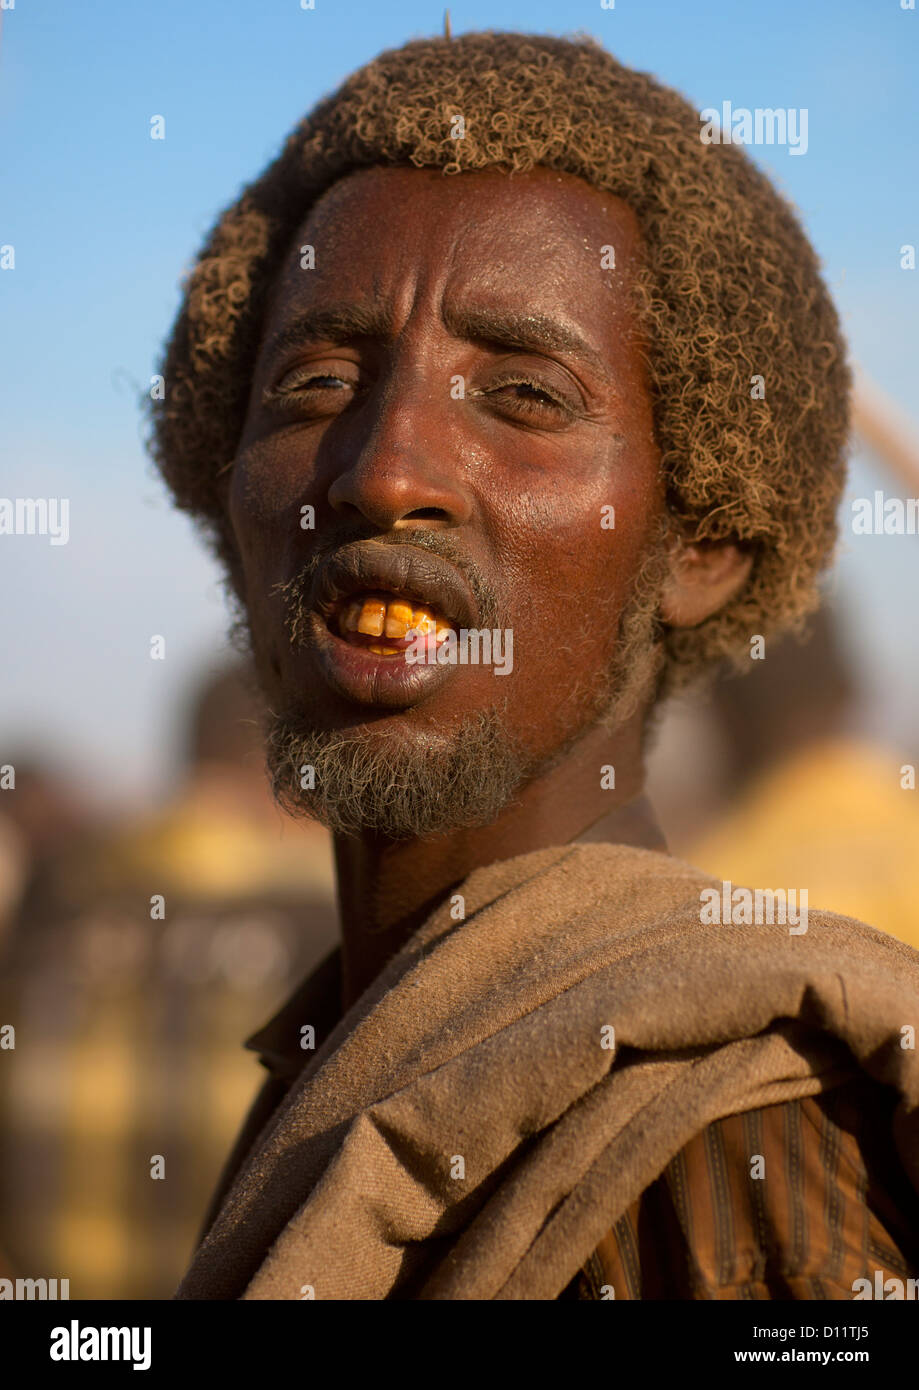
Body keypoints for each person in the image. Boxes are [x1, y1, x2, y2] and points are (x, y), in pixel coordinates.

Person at [148, 32, 919, 1299]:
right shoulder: (331, 1073)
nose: (384, 472)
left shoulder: (730, 1163)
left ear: (703, 544)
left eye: (524, 397)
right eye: (316, 380)